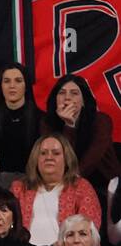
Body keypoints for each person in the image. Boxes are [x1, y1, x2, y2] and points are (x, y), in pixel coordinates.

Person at [41, 74, 121, 206]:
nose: (67, 97)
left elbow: (92, 159)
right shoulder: (47, 122)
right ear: (55, 99)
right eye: (62, 93)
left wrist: (73, 184)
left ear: (84, 100)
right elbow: (58, 160)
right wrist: (69, 126)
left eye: (74, 93)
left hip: (104, 185)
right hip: (62, 183)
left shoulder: (102, 121)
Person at [10, 134, 101, 246]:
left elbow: (90, 230)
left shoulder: (81, 187)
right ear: (36, 159)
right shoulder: (19, 188)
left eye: (56, 153)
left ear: (67, 159)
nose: (49, 157)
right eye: (43, 153)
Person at [0, 63, 42, 177]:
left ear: (26, 86)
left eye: (18, 81)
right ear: (0, 86)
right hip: (1, 187)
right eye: (7, 81)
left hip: (36, 185)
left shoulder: (42, 120)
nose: (12, 86)